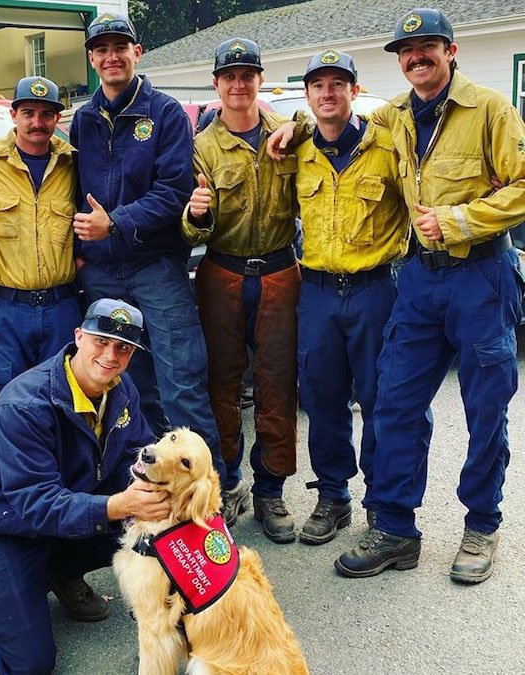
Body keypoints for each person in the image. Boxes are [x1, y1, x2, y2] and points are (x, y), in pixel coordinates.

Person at [330, 8, 525, 583]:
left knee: (485, 407)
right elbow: (338, 124)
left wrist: (462, 218)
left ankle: (481, 526)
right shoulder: (392, 116)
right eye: (406, 49)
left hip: (480, 277)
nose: (416, 57)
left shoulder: (490, 109)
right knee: (394, 403)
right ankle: (394, 529)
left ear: (450, 49)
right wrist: (283, 126)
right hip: (417, 280)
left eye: (427, 47)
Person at [0, 299, 168, 675]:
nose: (110, 355)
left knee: (154, 527)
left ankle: (59, 571)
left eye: (123, 347)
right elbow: (36, 504)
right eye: (101, 341)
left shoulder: (121, 389)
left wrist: (159, 487)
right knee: (29, 664)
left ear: (133, 353)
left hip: (69, 508)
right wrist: (118, 505)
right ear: (79, 336)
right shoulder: (25, 406)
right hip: (5, 525)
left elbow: (134, 452)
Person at [69, 13, 224, 494]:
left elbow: (175, 190)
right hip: (102, 273)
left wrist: (114, 221)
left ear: (137, 52)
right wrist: (78, 249)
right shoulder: (82, 121)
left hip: (156, 267)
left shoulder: (166, 113)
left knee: (182, 384)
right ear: (92, 59)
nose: (111, 56)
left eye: (121, 47)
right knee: (131, 388)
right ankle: (153, 492)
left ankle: (210, 496)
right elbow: (70, 192)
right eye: (101, 49)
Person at [182, 38, 303, 543]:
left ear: (259, 78)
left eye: (247, 74)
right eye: (229, 76)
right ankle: (228, 481)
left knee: (278, 382)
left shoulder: (289, 135)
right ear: (216, 84)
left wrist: (302, 123)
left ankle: (270, 489)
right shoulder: (200, 146)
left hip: (279, 270)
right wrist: (197, 215)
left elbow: (331, 123)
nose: (238, 84)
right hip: (223, 273)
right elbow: (191, 230)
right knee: (222, 384)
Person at [290, 50, 408, 544]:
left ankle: (382, 503)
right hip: (316, 292)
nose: (328, 93)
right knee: (323, 399)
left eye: (339, 84)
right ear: (309, 95)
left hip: (374, 289)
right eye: (319, 85)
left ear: (354, 91)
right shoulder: (298, 150)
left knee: (383, 399)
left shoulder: (387, 146)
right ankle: (333, 495)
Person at [0, 76, 81, 393]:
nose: (37, 122)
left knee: (62, 393)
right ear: (13, 115)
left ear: (58, 117)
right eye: (28, 112)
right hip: (6, 310)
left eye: (46, 114)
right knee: (8, 396)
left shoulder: (75, 163)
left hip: (62, 307)